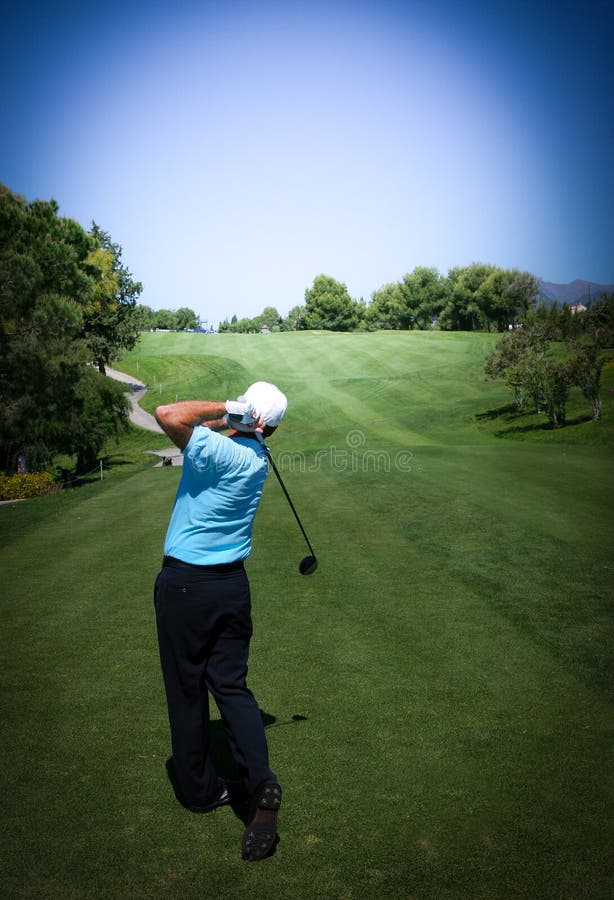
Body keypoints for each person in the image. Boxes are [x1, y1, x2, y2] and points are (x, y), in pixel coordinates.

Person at [153, 381, 287, 862]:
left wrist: (231, 408)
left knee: (187, 689)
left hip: (186, 587)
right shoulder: (252, 458)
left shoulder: (216, 453)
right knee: (231, 687)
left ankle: (200, 791)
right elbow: (207, 428)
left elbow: (169, 413)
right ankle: (261, 782)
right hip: (232, 587)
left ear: (252, 415)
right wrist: (239, 419)